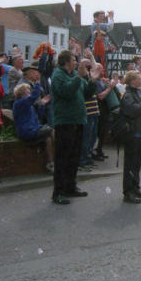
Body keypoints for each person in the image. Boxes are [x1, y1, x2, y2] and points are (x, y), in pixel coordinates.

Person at [50, 50, 97, 205]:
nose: (76, 62)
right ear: (66, 62)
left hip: (78, 120)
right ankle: (58, 192)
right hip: (65, 121)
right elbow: (66, 92)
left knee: (74, 156)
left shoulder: (75, 75)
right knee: (62, 158)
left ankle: (70, 186)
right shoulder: (58, 75)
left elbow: (87, 93)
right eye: (73, 60)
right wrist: (78, 77)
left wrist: (92, 80)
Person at [119, 71, 141, 203]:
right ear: (133, 81)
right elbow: (133, 110)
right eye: (139, 79)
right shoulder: (128, 95)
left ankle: (135, 187)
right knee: (130, 164)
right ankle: (128, 192)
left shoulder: (136, 93)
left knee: (136, 163)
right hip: (132, 133)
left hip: (138, 132)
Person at [12, 83, 54, 171]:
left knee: (48, 139)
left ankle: (51, 163)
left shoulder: (29, 105)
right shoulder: (19, 103)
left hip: (34, 129)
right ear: (22, 93)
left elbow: (39, 117)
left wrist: (42, 105)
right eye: (28, 91)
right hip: (27, 132)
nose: (30, 93)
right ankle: (62, 155)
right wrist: (37, 83)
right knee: (51, 131)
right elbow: (33, 97)